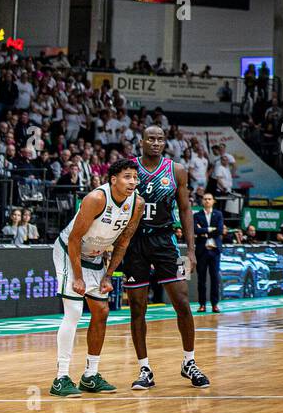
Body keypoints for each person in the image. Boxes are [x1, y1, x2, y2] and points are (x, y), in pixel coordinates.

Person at [123, 125, 209, 390]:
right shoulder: (129, 169)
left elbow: (185, 209)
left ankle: (189, 362)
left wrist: (191, 250)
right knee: (137, 307)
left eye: (160, 139)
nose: (156, 143)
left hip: (167, 241)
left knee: (182, 302)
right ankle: (144, 368)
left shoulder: (177, 170)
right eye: (151, 138)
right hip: (134, 243)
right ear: (141, 142)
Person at [50, 159, 142, 396]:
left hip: (96, 256)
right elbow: (73, 239)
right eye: (127, 177)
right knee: (74, 312)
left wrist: (108, 275)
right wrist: (78, 278)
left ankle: (90, 375)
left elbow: (123, 242)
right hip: (70, 252)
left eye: (135, 177)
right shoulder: (96, 199)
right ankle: (61, 378)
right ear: (113, 180)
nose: (132, 182)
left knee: (101, 311)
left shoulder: (137, 204)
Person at [193, 191, 225, 313]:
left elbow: (220, 230)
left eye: (209, 199)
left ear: (213, 201)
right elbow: (195, 230)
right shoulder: (197, 215)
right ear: (202, 201)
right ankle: (202, 304)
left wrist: (204, 231)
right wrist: (210, 229)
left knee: (215, 279)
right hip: (202, 251)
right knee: (201, 279)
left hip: (214, 251)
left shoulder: (218, 214)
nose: (207, 200)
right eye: (205, 199)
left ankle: (214, 304)